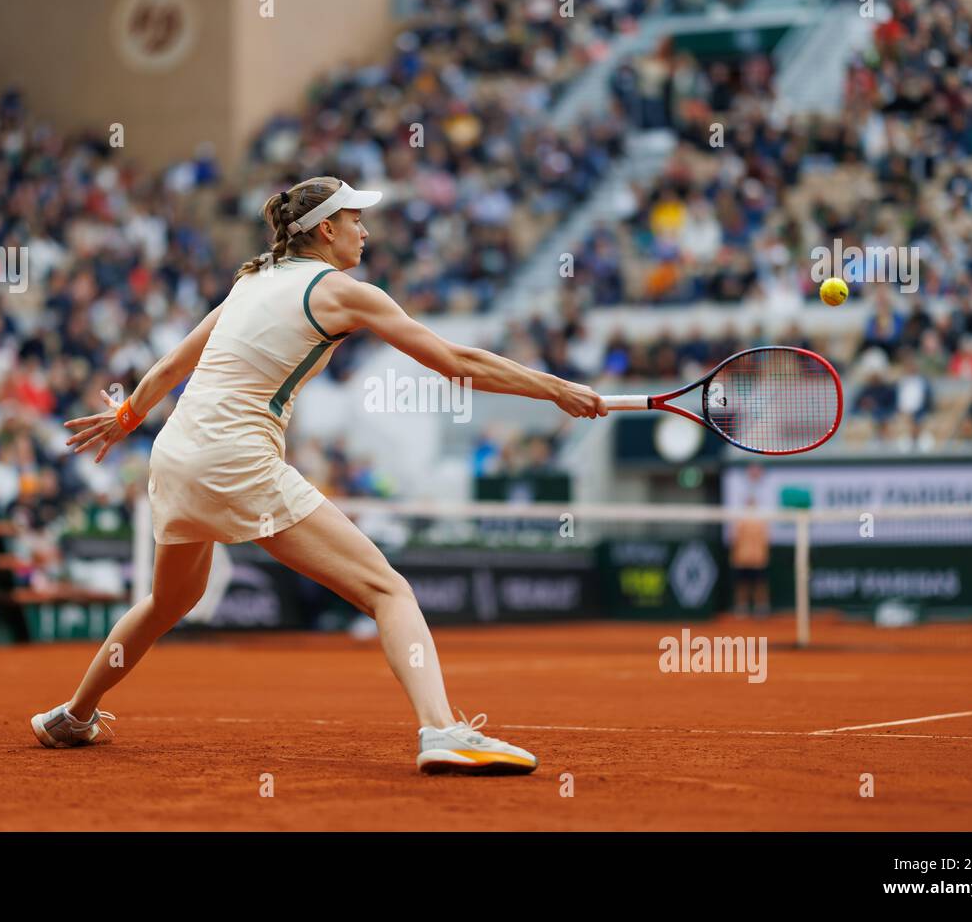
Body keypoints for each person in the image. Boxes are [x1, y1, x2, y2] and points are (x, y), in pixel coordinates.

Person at [31, 176, 607, 774]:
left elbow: (175, 362)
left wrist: (126, 416)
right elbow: (457, 362)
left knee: (168, 601)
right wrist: (555, 388)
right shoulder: (344, 292)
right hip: (236, 460)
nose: (367, 230)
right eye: (357, 219)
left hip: (175, 457)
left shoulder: (251, 279)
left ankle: (73, 715)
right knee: (389, 591)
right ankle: (441, 730)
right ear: (326, 229)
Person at [730, 496, 770, 618]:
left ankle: (761, 607)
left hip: (758, 559)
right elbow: (735, 539)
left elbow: (765, 540)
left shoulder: (761, 522)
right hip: (743, 559)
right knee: (742, 583)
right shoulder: (740, 521)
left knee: (760, 584)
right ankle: (742, 607)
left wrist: (763, 557)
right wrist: (735, 557)